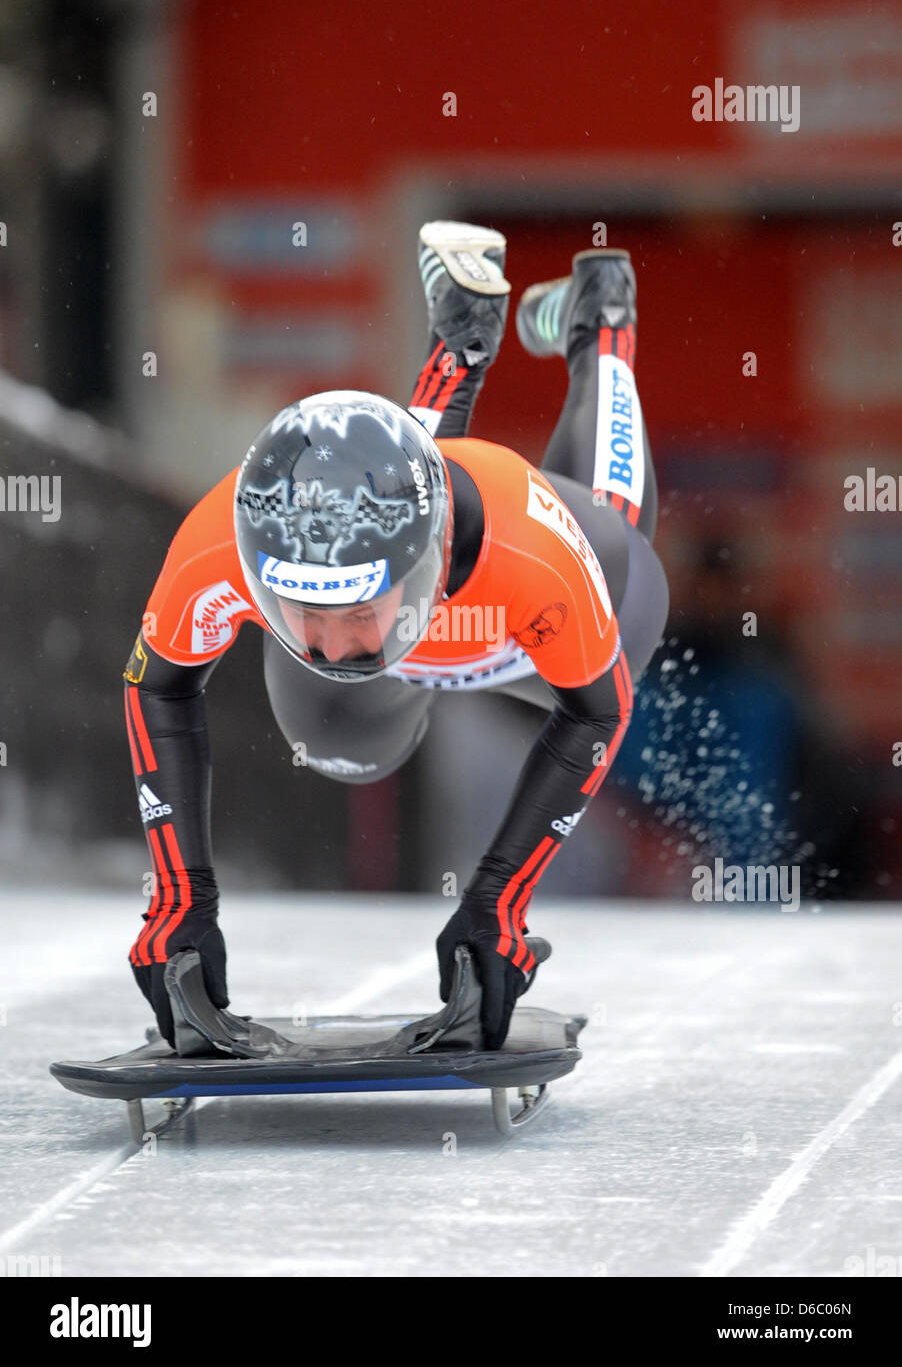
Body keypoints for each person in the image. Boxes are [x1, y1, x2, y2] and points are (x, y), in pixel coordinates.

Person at [123, 222, 669, 1051]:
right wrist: (180, 902)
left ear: (425, 565)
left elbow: (597, 711)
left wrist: (497, 901)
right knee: (339, 732)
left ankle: (602, 321)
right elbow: (156, 684)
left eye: (355, 610)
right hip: (431, 621)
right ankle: (461, 342)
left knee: (621, 567)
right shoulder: (219, 545)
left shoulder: (535, 555)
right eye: (304, 610)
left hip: (524, 621)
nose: (334, 646)